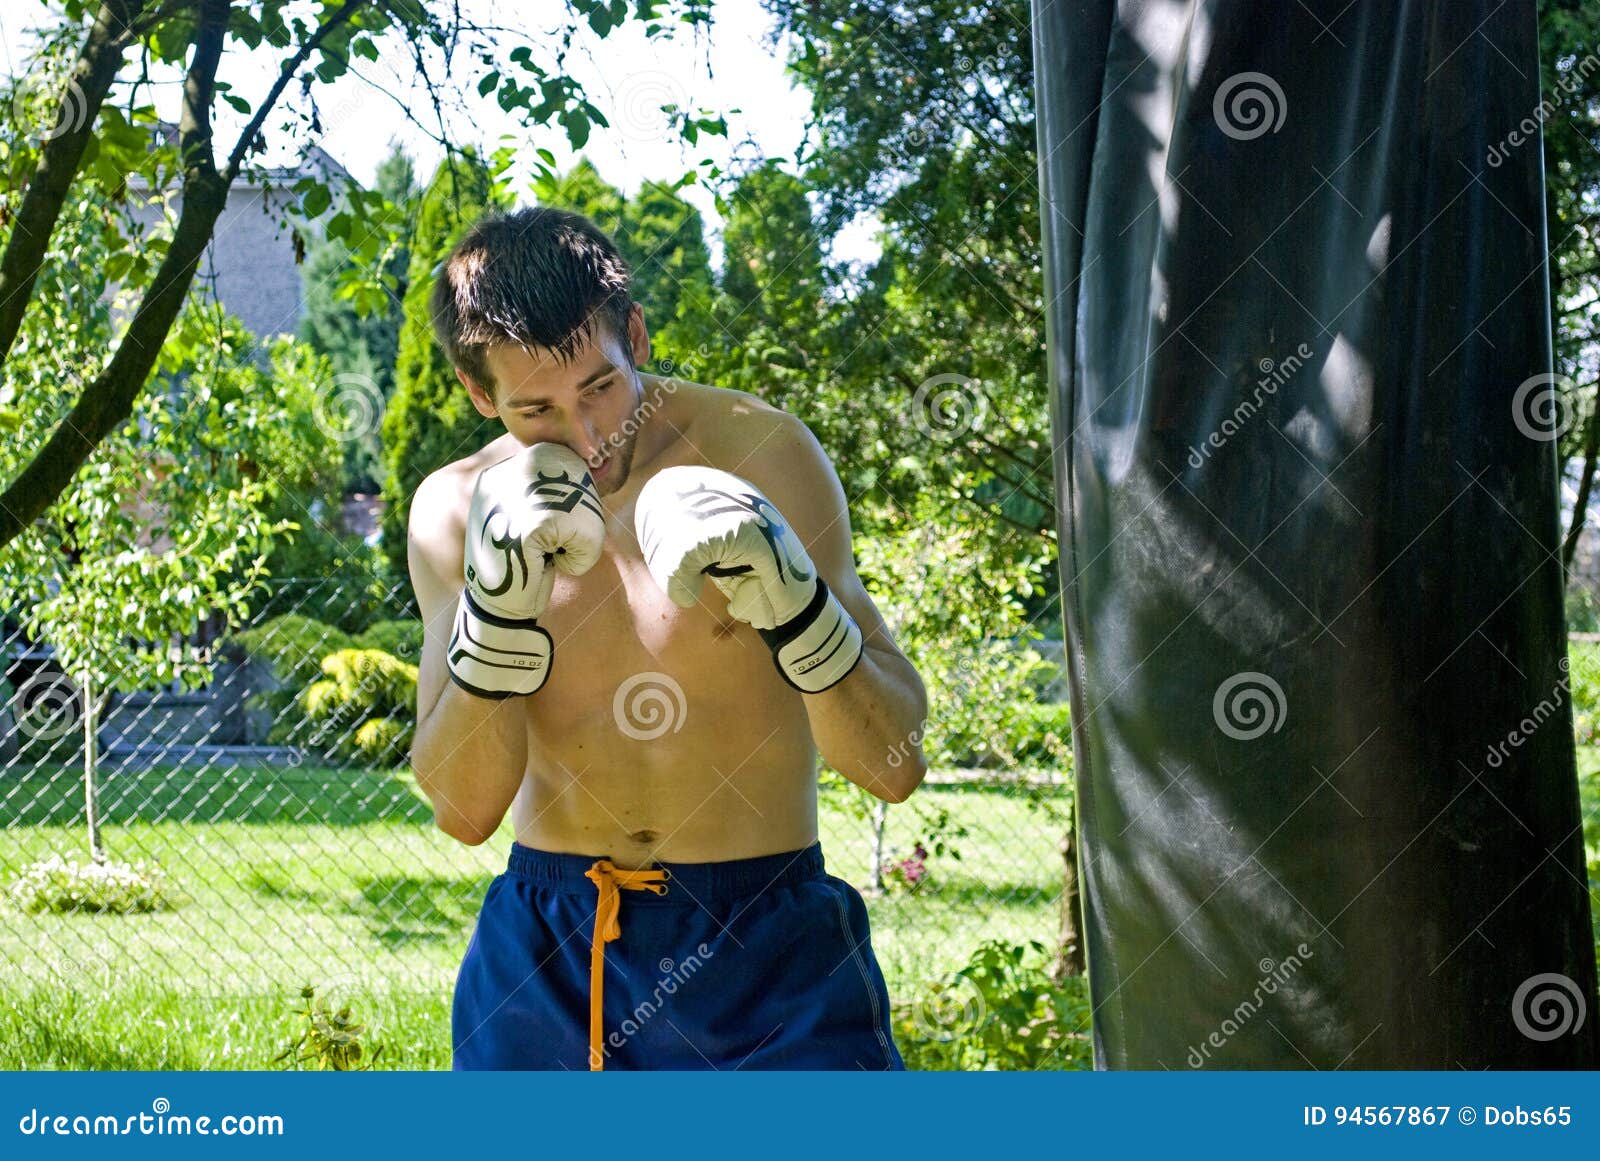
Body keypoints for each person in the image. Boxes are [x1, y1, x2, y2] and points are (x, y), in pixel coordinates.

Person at [406, 206, 929, 1071]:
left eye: (600, 387)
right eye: (536, 408)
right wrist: (494, 626)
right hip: (550, 951)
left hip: (769, 943)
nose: (585, 436)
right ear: (478, 392)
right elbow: (463, 812)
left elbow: (893, 765)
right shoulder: (454, 510)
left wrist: (799, 609)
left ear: (637, 336)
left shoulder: (762, 453)